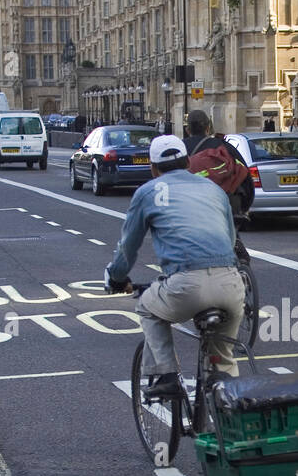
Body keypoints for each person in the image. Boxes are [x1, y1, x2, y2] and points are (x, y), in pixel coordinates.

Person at [105, 135, 247, 398]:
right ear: (188, 162)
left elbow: (128, 247)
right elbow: (230, 239)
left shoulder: (148, 192)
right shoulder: (213, 189)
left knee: (148, 307)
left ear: (153, 168)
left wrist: (116, 278)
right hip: (231, 284)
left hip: (186, 285)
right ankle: (231, 419)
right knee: (223, 358)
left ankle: (167, 374)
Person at [182, 109, 254, 226]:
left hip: (189, 210)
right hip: (222, 209)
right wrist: (243, 208)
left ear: (188, 129)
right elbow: (245, 177)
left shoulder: (180, 149)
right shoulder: (223, 147)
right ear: (208, 128)